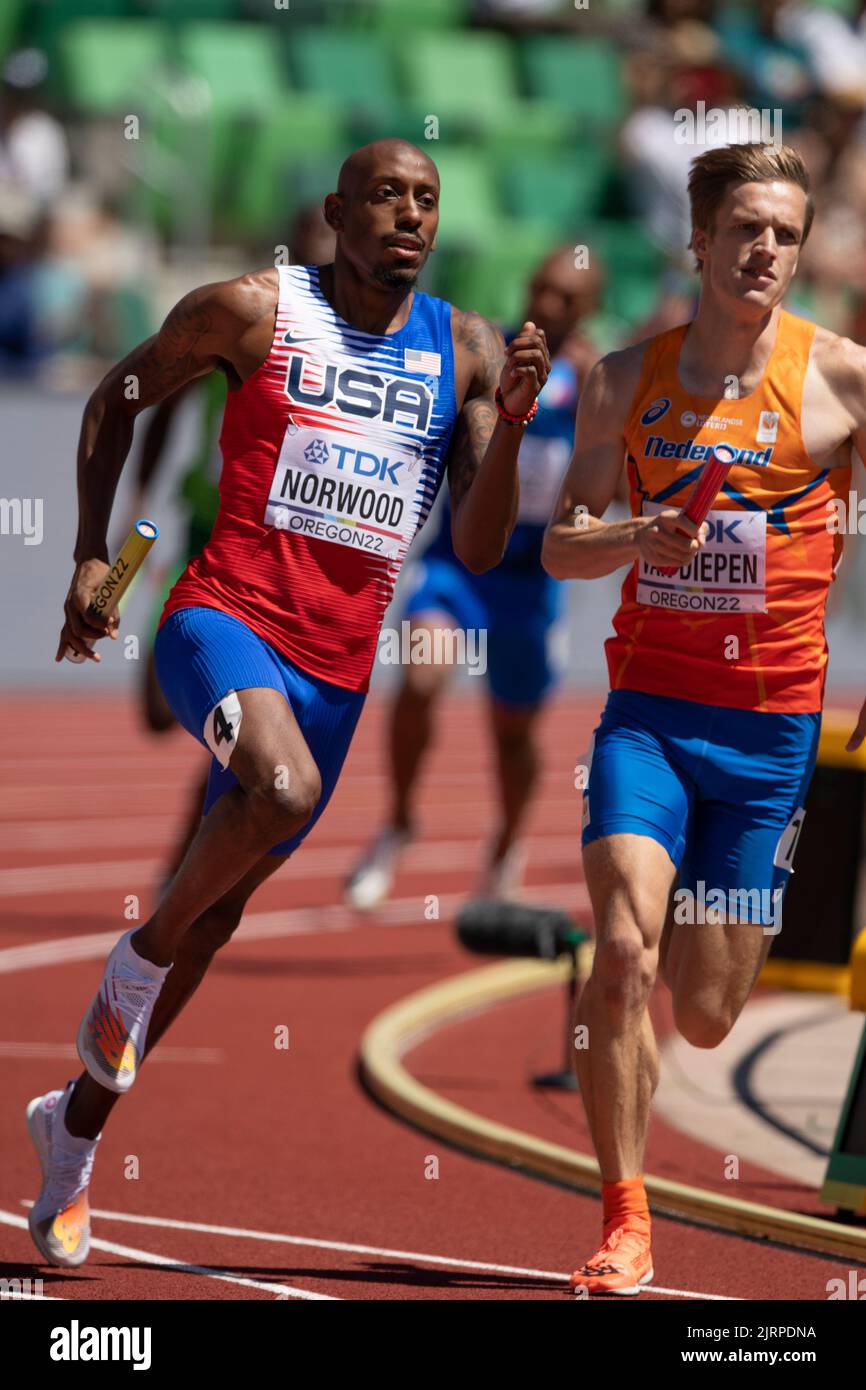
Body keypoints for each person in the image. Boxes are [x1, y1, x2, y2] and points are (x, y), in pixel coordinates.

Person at [28, 138, 550, 1268]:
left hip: (337, 671)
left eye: (425, 200)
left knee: (214, 924)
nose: (406, 216)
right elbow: (116, 397)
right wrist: (86, 554)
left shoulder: (460, 348)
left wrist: (507, 420)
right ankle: (137, 956)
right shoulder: (250, 311)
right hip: (220, 617)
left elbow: (475, 539)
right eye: (383, 196)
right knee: (278, 789)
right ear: (333, 211)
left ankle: (70, 1137)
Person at [542, 141, 866, 1295]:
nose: (762, 250)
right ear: (696, 240)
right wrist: (637, 534)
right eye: (742, 229)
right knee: (624, 951)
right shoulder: (626, 380)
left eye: (782, 231)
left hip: (771, 734)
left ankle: (646, 950)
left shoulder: (840, 379)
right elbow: (557, 544)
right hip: (649, 715)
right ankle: (626, 1215)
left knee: (709, 1010)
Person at [345, 247, 601, 907]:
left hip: (530, 580)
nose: (547, 306)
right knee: (422, 675)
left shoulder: (598, 381)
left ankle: (507, 847)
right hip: (458, 561)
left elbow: (611, 482)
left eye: (566, 299)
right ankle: (400, 820)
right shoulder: (484, 349)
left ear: (589, 309)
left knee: (513, 733)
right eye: (541, 289)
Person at [129, 206, 336, 885]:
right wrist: (137, 501)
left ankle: (185, 861)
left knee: (238, 719)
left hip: (275, 555)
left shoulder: (349, 346)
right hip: (202, 531)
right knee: (158, 713)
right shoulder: (250, 324)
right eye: (300, 251)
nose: (309, 264)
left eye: (322, 252)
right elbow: (163, 404)